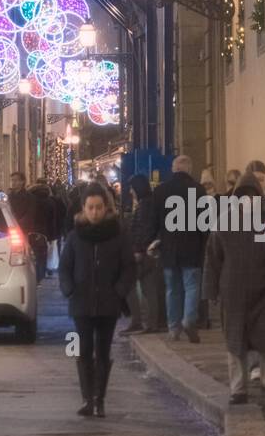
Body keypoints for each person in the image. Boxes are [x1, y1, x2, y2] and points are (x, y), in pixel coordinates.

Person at [203, 177, 265, 405]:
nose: (247, 201)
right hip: (233, 292)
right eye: (243, 196)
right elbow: (213, 259)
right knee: (234, 341)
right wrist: (211, 290)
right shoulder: (223, 224)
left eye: (252, 196)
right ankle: (238, 388)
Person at [59, 183, 134, 418]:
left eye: (98, 207)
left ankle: (99, 399)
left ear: (106, 208)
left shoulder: (117, 235)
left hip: (108, 304)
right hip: (81, 303)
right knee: (83, 351)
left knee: (102, 351)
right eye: (90, 208)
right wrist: (69, 290)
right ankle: (86, 398)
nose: (94, 212)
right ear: (84, 208)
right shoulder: (75, 236)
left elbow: (128, 267)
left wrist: (119, 291)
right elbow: (65, 268)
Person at [151, 155, 207, 343]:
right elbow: (204, 223)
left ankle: (173, 328)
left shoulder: (160, 191)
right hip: (192, 246)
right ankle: (189, 319)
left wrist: (153, 241)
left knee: (172, 289)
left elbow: (155, 221)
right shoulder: (199, 190)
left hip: (169, 247)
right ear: (189, 170)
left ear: (173, 169)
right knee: (192, 286)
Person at [125, 174, 165, 334]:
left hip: (143, 253)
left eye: (132, 188)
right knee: (149, 288)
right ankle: (151, 323)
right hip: (148, 251)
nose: (130, 191)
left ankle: (138, 321)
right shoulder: (149, 203)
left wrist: (138, 250)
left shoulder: (144, 206)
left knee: (131, 285)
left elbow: (143, 230)